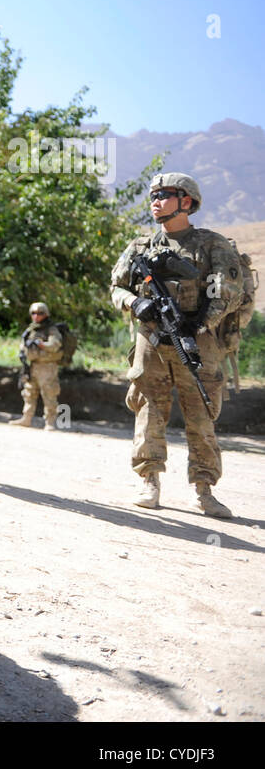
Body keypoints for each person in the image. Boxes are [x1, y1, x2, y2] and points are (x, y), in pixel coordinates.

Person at [110, 173, 242, 518]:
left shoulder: (212, 245)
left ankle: (204, 490)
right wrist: (135, 304)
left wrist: (199, 325)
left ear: (187, 202)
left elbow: (227, 294)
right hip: (151, 339)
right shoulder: (140, 247)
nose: (155, 201)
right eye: (152, 195)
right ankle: (149, 481)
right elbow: (116, 287)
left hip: (198, 340)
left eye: (164, 194)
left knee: (200, 413)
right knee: (149, 408)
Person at [13, 302, 64, 430]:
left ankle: (50, 422)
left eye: (40, 313)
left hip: (47, 367)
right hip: (33, 365)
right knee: (29, 392)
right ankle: (26, 418)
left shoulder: (51, 329)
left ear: (46, 314)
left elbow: (55, 345)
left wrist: (42, 345)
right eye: (33, 313)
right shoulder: (31, 329)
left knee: (49, 394)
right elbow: (24, 344)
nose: (36, 316)